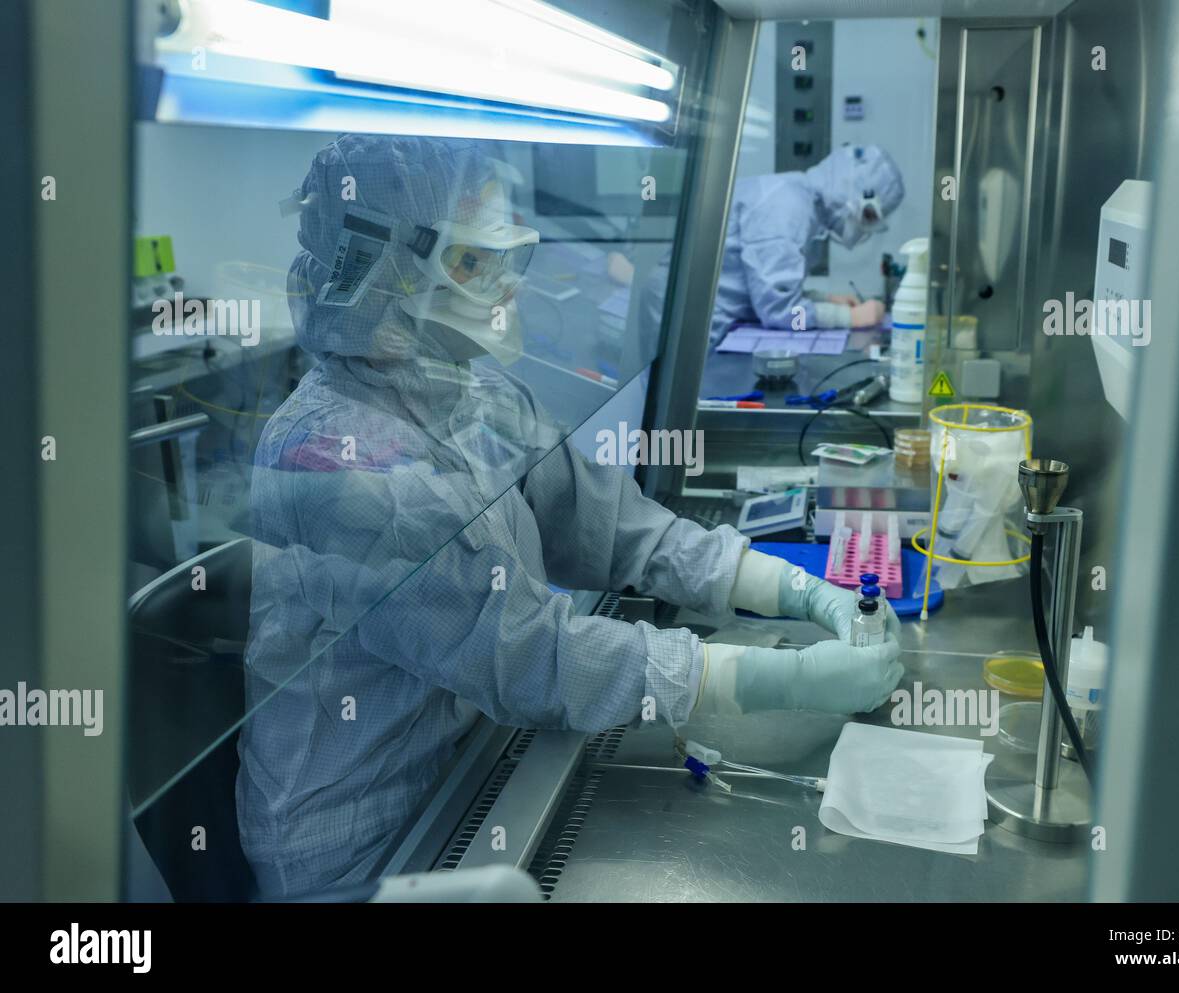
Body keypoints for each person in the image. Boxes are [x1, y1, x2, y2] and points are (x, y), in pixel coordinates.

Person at [236, 135, 903, 898]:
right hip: (358, 855)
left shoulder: (466, 391)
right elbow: (526, 653)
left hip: (466, 774)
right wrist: (782, 678)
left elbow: (607, 525)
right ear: (385, 273)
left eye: (511, 258)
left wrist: (795, 589)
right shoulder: (332, 459)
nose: (507, 288)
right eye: (472, 263)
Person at [710, 144, 904, 346]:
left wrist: (824, 299)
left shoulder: (800, 203)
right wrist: (850, 317)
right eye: (868, 216)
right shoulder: (786, 207)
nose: (863, 227)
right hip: (709, 336)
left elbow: (764, 293)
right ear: (853, 192)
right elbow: (780, 313)